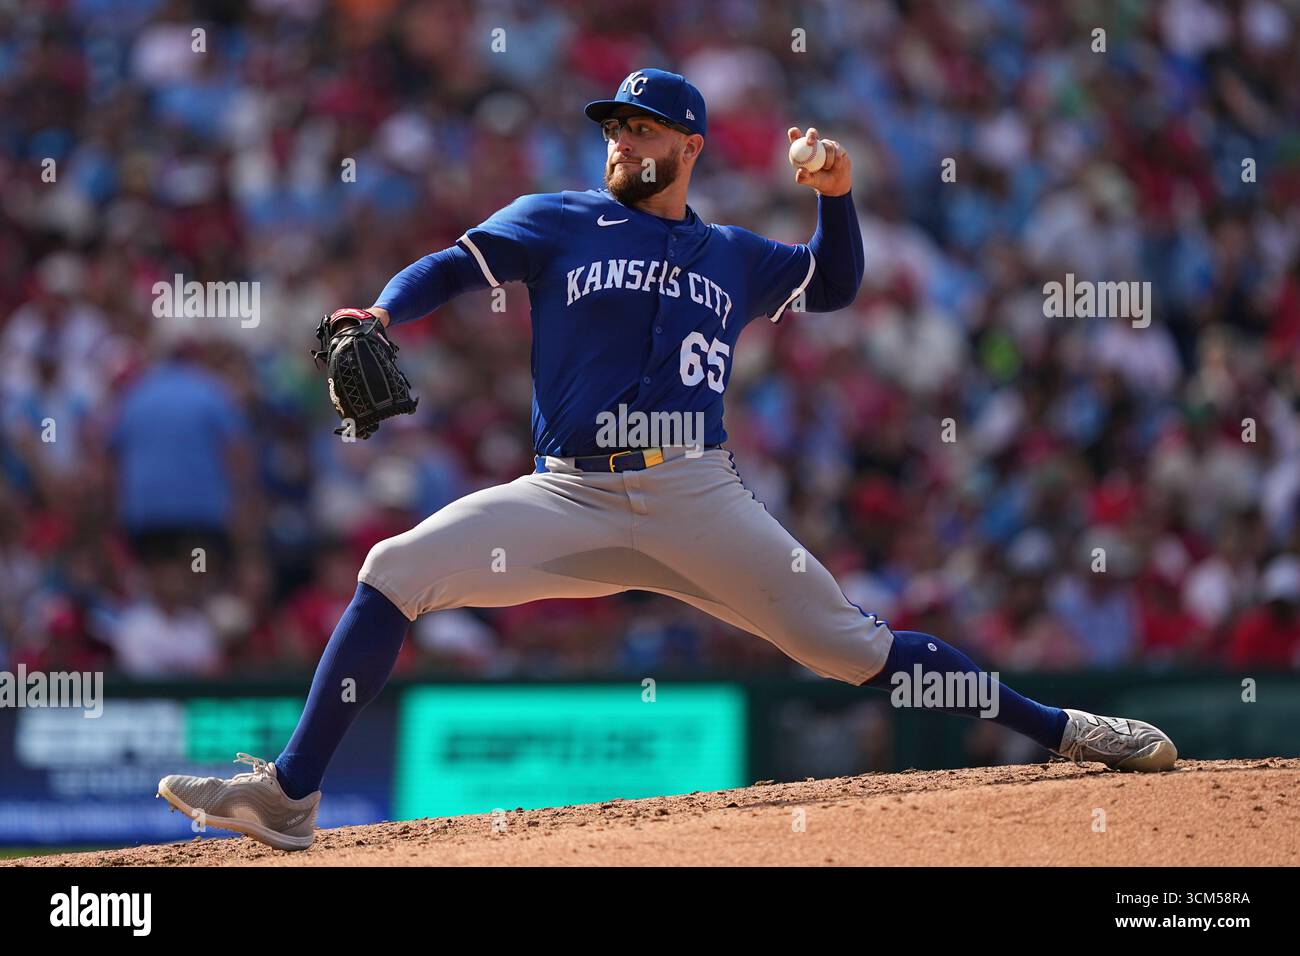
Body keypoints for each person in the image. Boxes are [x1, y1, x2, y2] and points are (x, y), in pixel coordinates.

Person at [158, 70, 1177, 851]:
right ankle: (291, 795)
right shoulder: (558, 219)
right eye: (612, 126)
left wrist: (837, 195)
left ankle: (1064, 727)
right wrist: (376, 310)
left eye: (638, 128)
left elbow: (832, 286)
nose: (619, 140)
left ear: (686, 146)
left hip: (697, 491)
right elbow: (448, 268)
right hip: (567, 491)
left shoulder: (731, 252)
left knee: (854, 648)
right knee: (393, 569)